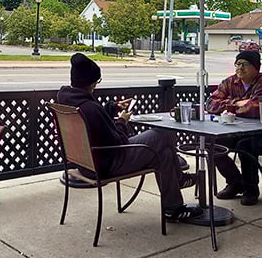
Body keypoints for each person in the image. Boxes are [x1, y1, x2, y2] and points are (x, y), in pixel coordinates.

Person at [57, 53, 202, 222]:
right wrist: (122, 121)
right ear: (91, 82)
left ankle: (173, 208)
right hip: (109, 163)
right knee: (163, 133)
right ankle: (179, 179)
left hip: (87, 163)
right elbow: (118, 141)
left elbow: (96, 122)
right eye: (97, 81)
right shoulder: (89, 108)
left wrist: (113, 107)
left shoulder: (68, 101)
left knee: (164, 156)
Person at [206, 50, 262, 206]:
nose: (240, 68)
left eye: (245, 64)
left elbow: (254, 109)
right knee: (211, 143)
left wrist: (227, 104)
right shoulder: (229, 82)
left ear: (256, 67)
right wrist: (236, 103)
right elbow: (210, 104)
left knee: (245, 145)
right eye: (238, 64)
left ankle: (251, 189)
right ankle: (235, 182)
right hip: (234, 131)